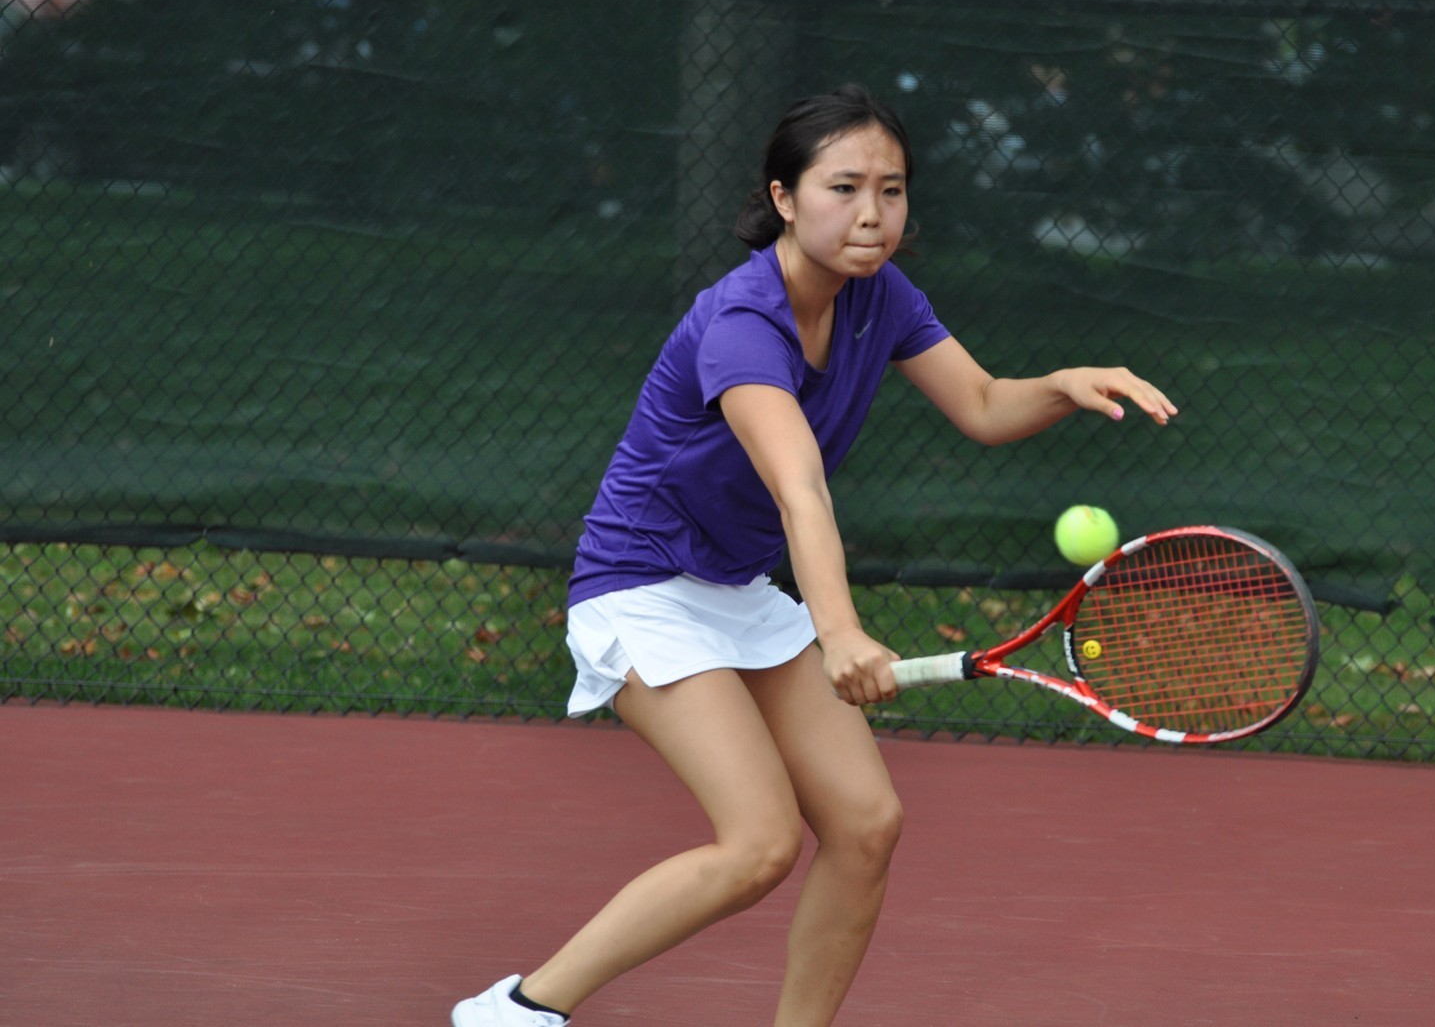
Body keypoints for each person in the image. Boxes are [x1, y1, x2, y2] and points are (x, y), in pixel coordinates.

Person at [452, 83, 1177, 1027]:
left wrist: (1062, 383)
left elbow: (985, 404)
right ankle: (518, 1010)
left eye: (893, 188)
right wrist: (837, 630)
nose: (872, 214)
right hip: (640, 588)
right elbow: (800, 488)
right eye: (844, 187)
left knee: (867, 824)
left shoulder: (882, 295)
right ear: (785, 198)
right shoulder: (742, 323)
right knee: (756, 846)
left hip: (731, 586)